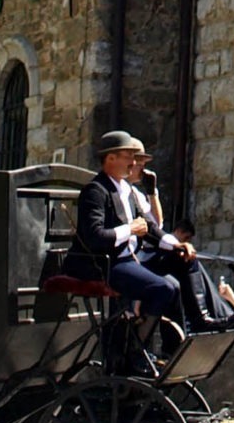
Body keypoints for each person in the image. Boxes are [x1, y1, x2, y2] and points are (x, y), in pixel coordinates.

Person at [62, 130, 182, 322]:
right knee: (161, 288)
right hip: (105, 264)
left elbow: (148, 226)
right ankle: (134, 342)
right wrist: (130, 229)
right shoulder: (96, 191)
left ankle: (174, 346)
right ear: (110, 158)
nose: (133, 163)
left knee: (174, 286)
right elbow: (96, 236)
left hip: (126, 262)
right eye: (128, 157)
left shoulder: (127, 190)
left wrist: (175, 245)